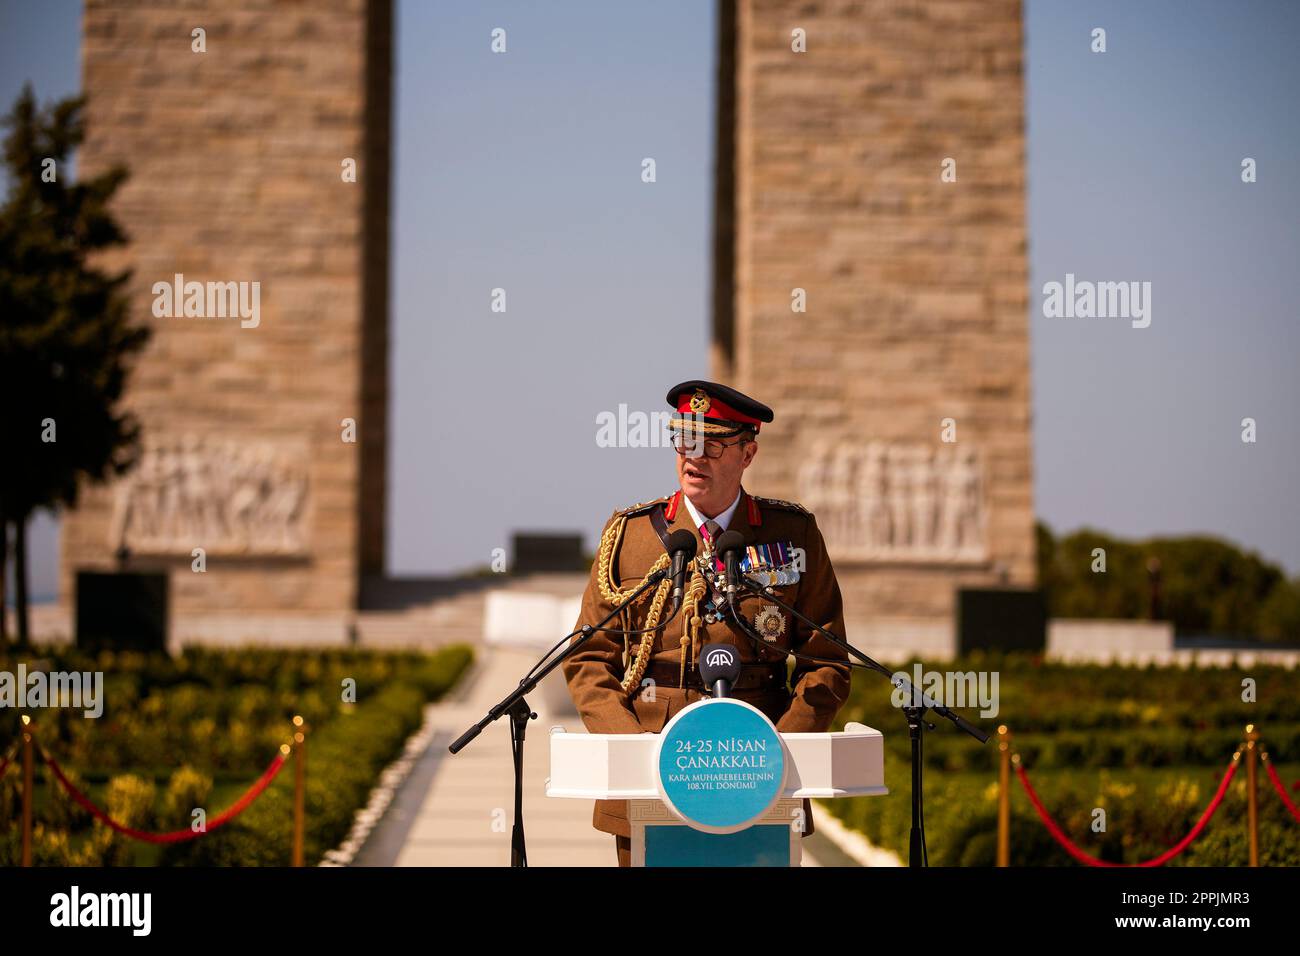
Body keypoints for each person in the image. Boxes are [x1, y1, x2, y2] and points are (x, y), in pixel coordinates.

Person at [562, 380, 852, 866]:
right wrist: (636, 751)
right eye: (684, 441)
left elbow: (826, 662)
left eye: (711, 444)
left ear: (748, 453)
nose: (693, 457)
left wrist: (774, 753)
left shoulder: (793, 535)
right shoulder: (630, 535)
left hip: (757, 769)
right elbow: (589, 657)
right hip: (649, 771)